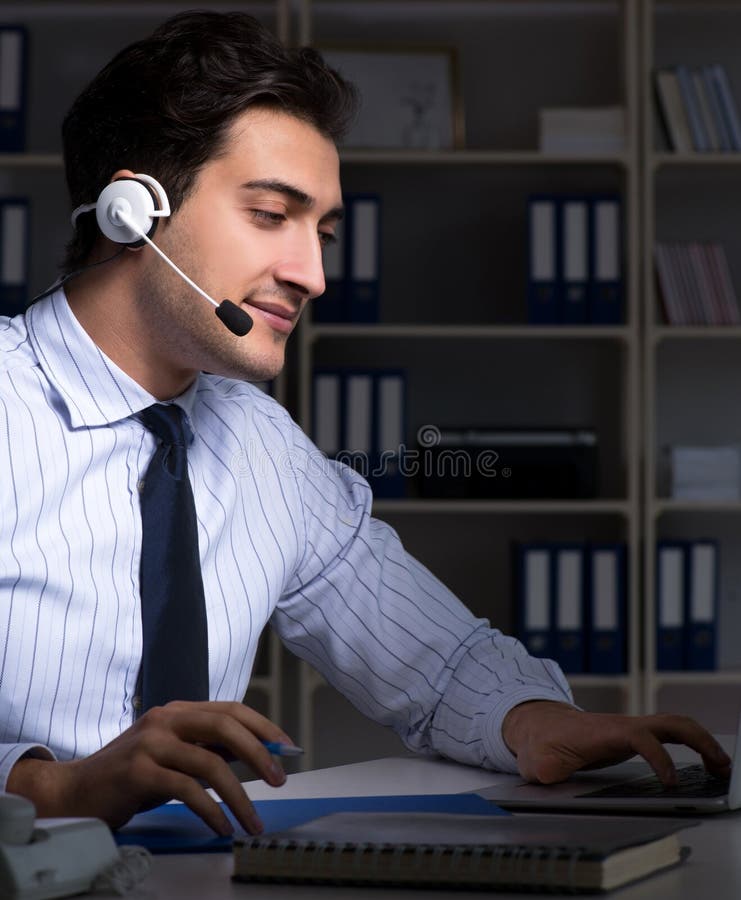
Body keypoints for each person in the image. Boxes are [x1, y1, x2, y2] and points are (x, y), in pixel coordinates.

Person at [0, 11, 730, 838]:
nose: (312, 274)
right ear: (132, 212)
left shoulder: (259, 443)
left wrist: (534, 721)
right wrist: (51, 789)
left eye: (325, 232)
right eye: (272, 215)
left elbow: (431, 658)